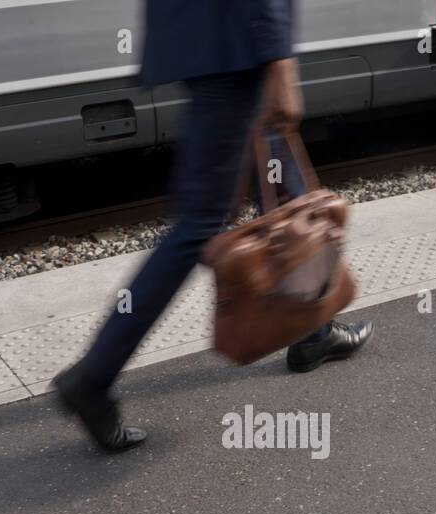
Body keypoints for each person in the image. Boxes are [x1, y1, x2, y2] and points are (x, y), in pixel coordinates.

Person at [52, 0, 374, 452]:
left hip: (214, 36)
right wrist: (278, 55)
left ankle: (312, 329)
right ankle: (94, 376)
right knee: (201, 223)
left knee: (282, 177)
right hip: (235, 41)